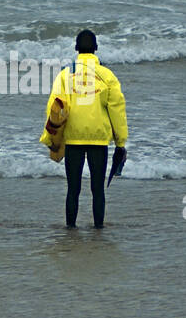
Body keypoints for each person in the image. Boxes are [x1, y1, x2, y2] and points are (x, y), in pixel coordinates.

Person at [43, 30, 128, 228]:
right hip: (98, 140)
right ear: (96, 49)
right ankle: (99, 229)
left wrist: (50, 138)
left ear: (76, 49)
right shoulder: (107, 75)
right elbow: (117, 109)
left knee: (73, 189)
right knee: (98, 189)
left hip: (73, 139)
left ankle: (70, 229)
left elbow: (54, 107)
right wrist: (121, 142)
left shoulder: (65, 74)